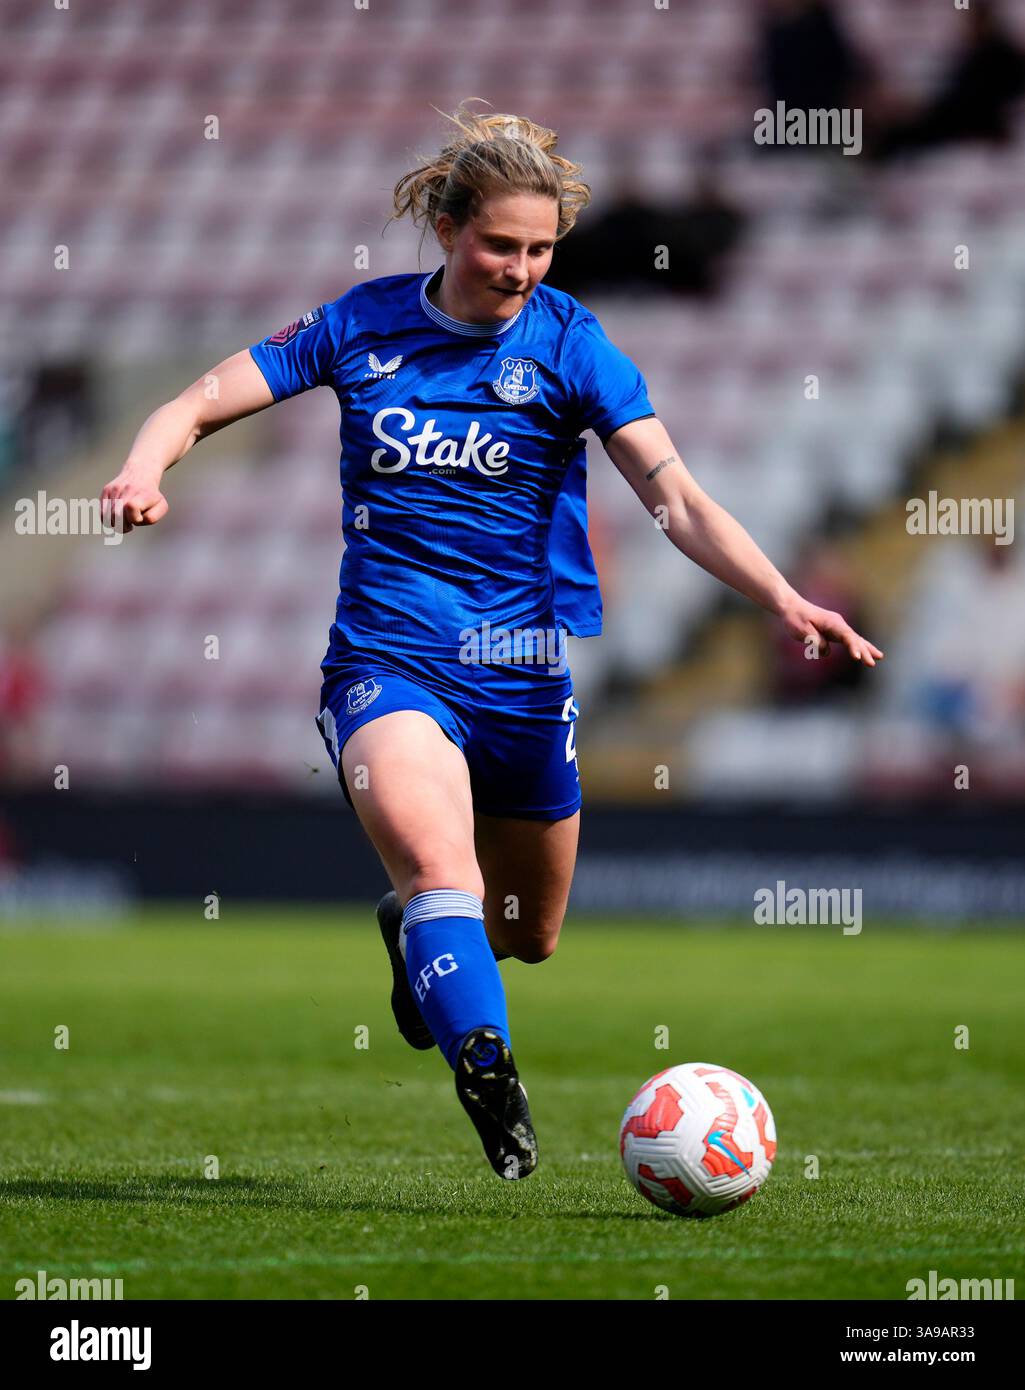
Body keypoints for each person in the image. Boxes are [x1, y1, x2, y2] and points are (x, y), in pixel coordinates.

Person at [100, 101, 883, 1181]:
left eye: (539, 248)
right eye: (499, 245)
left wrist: (781, 595)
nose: (519, 269)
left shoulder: (570, 343)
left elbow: (677, 496)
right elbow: (195, 401)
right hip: (388, 660)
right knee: (439, 868)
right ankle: (487, 1065)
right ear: (448, 229)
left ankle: (417, 946)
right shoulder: (359, 325)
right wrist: (146, 470)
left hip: (521, 675)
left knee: (526, 931)